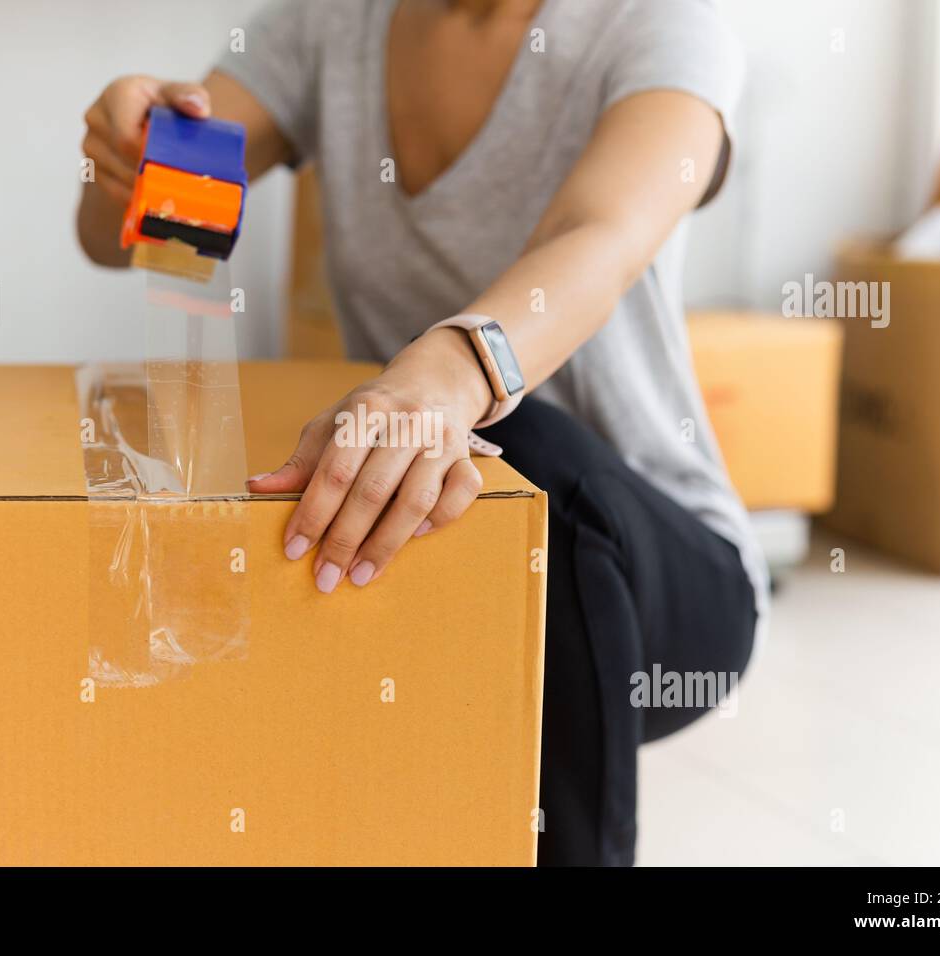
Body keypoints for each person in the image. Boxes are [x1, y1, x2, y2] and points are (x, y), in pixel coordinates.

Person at [76, 0, 767, 867]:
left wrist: (443, 377)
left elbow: (603, 232)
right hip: (422, 520)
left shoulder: (659, 27)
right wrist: (127, 160)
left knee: (528, 461)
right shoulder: (333, 23)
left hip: (656, 573)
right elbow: (140, 229)